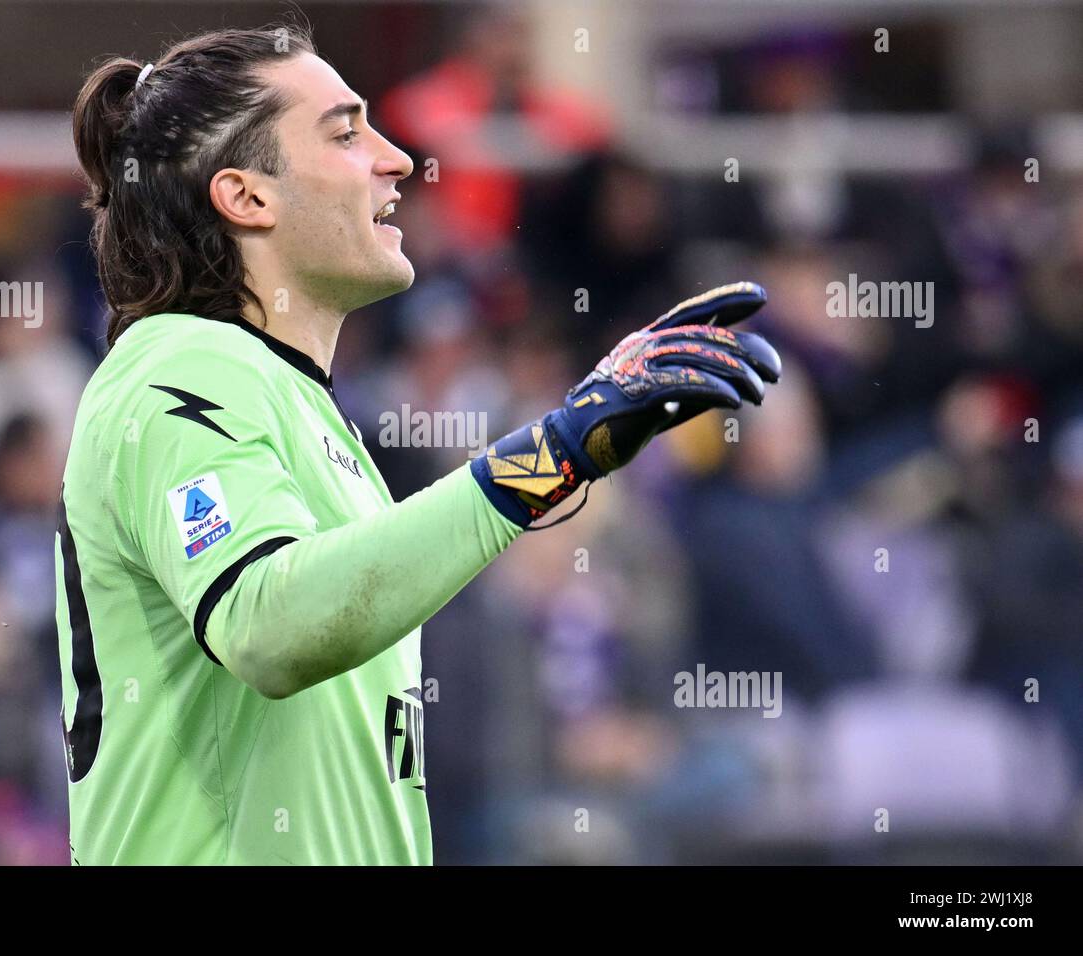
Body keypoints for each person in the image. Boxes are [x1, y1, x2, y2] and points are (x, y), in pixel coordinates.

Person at [60, 18, 781, 865]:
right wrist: (550, 454)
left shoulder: (303, 409)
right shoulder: (181, 366)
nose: (397, 158)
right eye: (346, 131)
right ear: (246, 195)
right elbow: (265, 623)